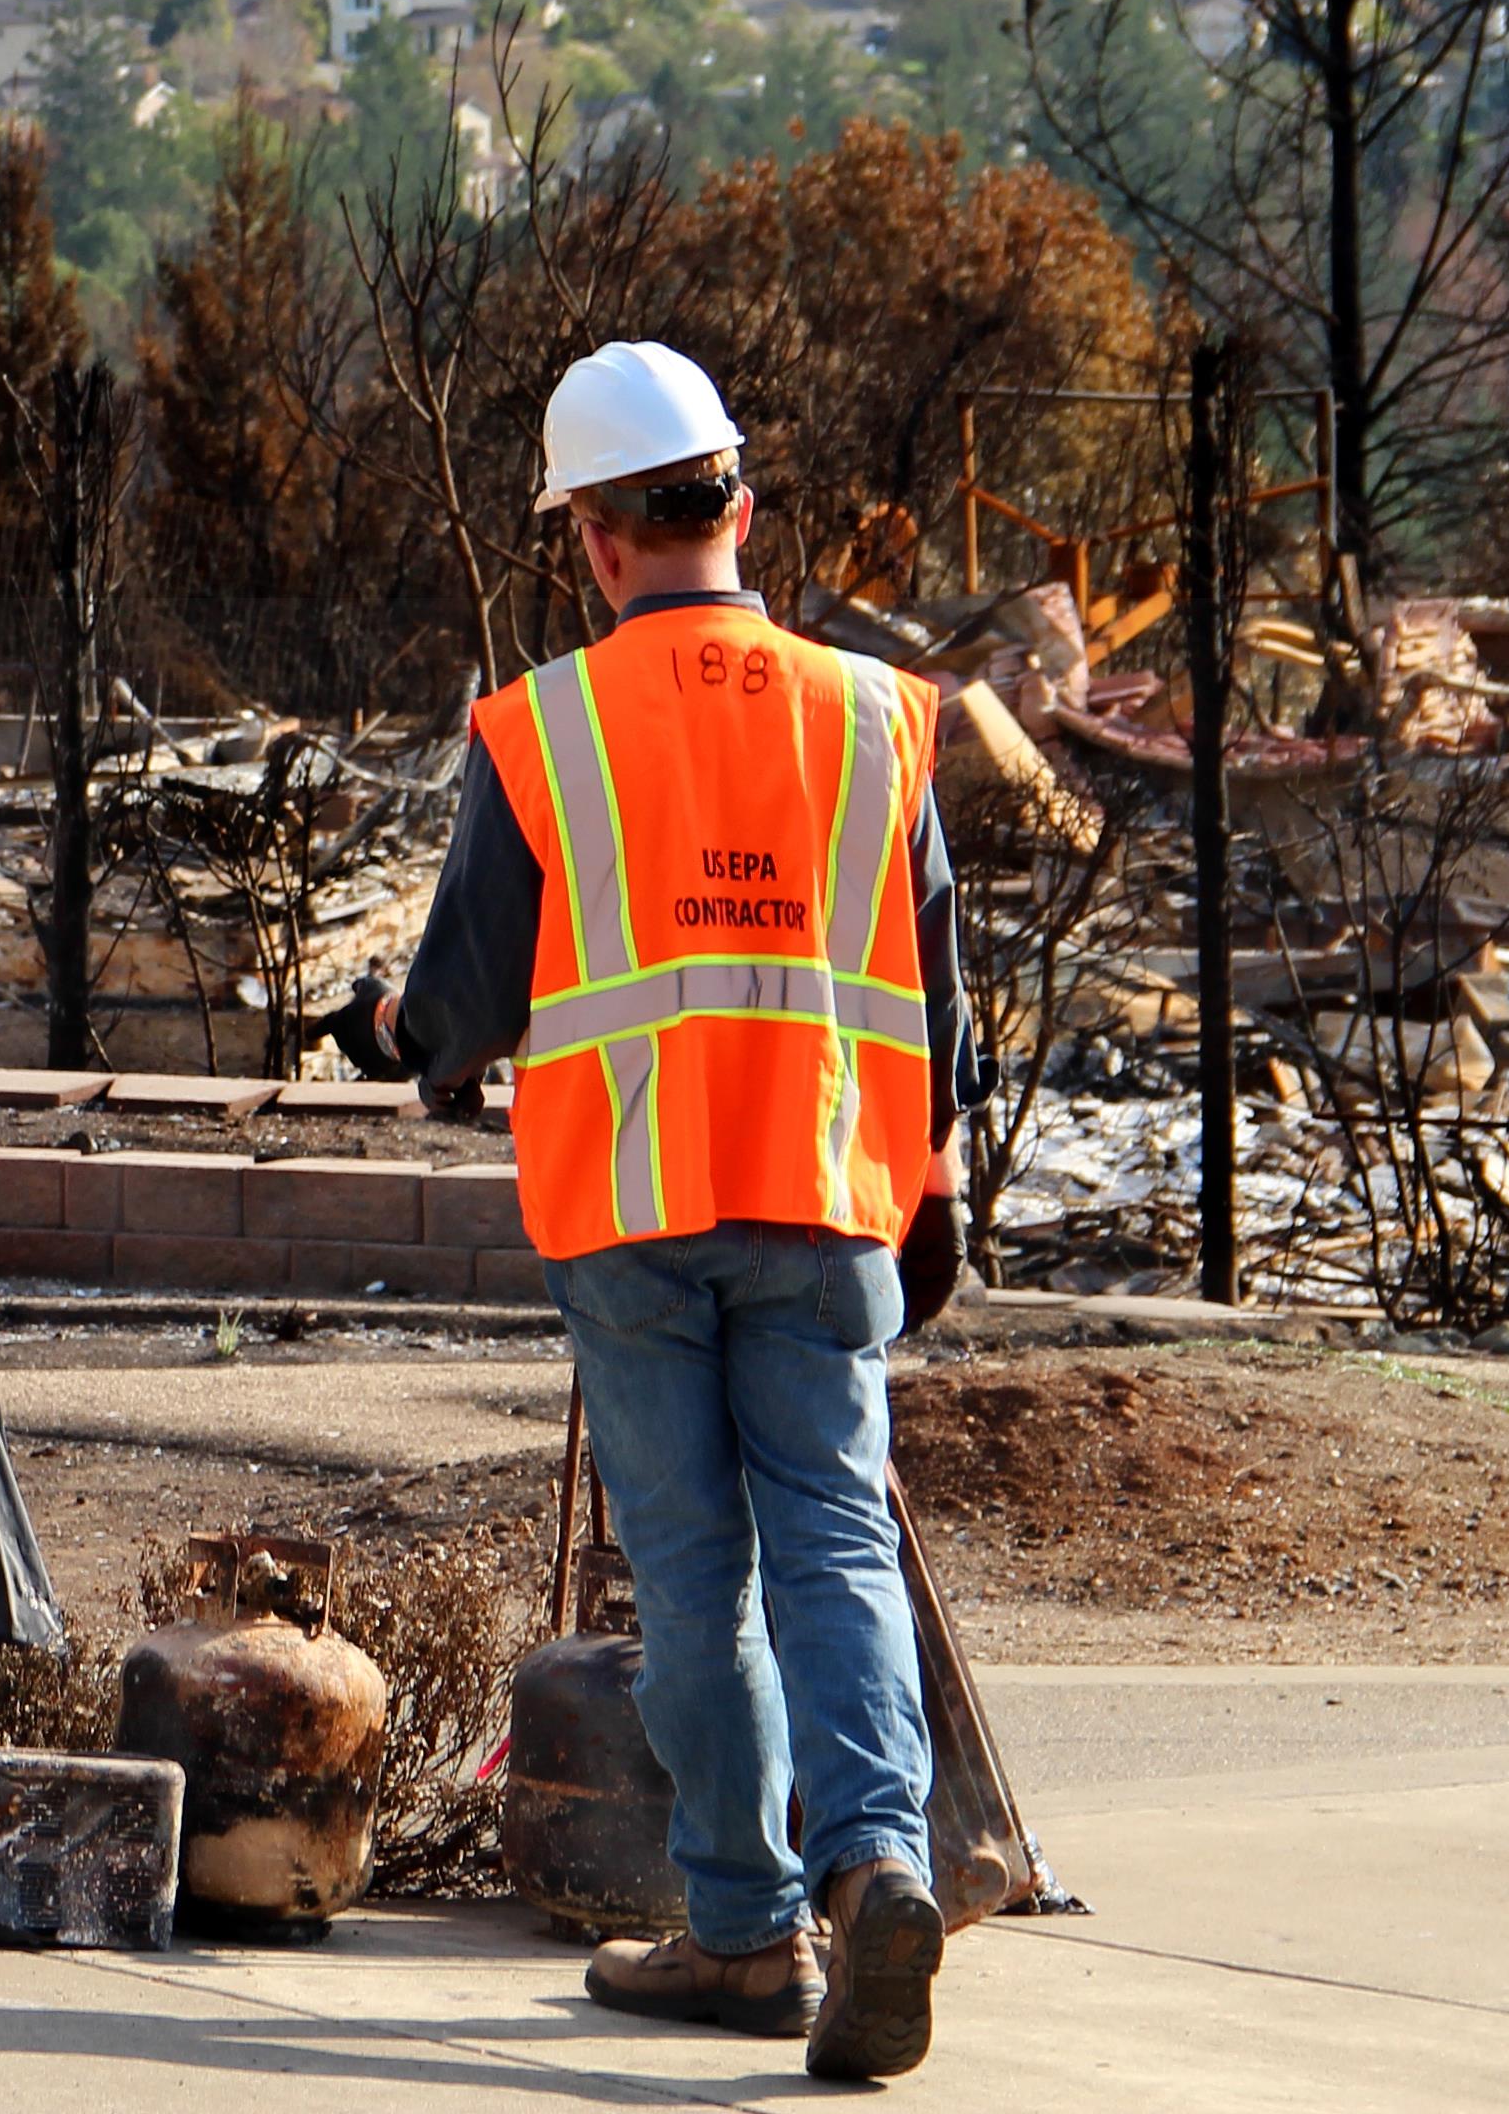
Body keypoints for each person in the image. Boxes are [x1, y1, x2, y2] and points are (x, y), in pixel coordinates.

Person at [342, 339, 972, 2084]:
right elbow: (941, 996)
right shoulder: (874, 715)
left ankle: (746, 1930)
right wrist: (931, 1180)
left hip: (629, 1211)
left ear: (590, 539)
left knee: (693, 1580)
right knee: (834, 1537)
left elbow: (465, 1005)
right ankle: (877, 1869)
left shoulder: (543, 725)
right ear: (738, 510)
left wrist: (393, 1033)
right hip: (823, 1193)